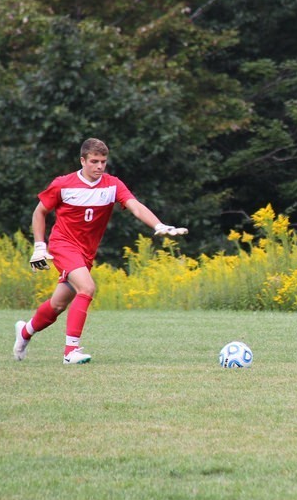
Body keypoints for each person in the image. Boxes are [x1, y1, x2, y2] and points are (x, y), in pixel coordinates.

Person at [13, 138, 188, 364]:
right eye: (94, 161)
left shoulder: (112, 185)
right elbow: (39, 213)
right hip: (63, 245)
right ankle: (70, 352)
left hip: (86, 254)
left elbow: (135, 206)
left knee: (57, 305)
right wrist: (39, 246)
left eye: (103, 162)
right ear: (82, 161)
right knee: (87, 287)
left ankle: (25, 332)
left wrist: (158, 225)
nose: (99, 166)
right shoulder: (63, 184)